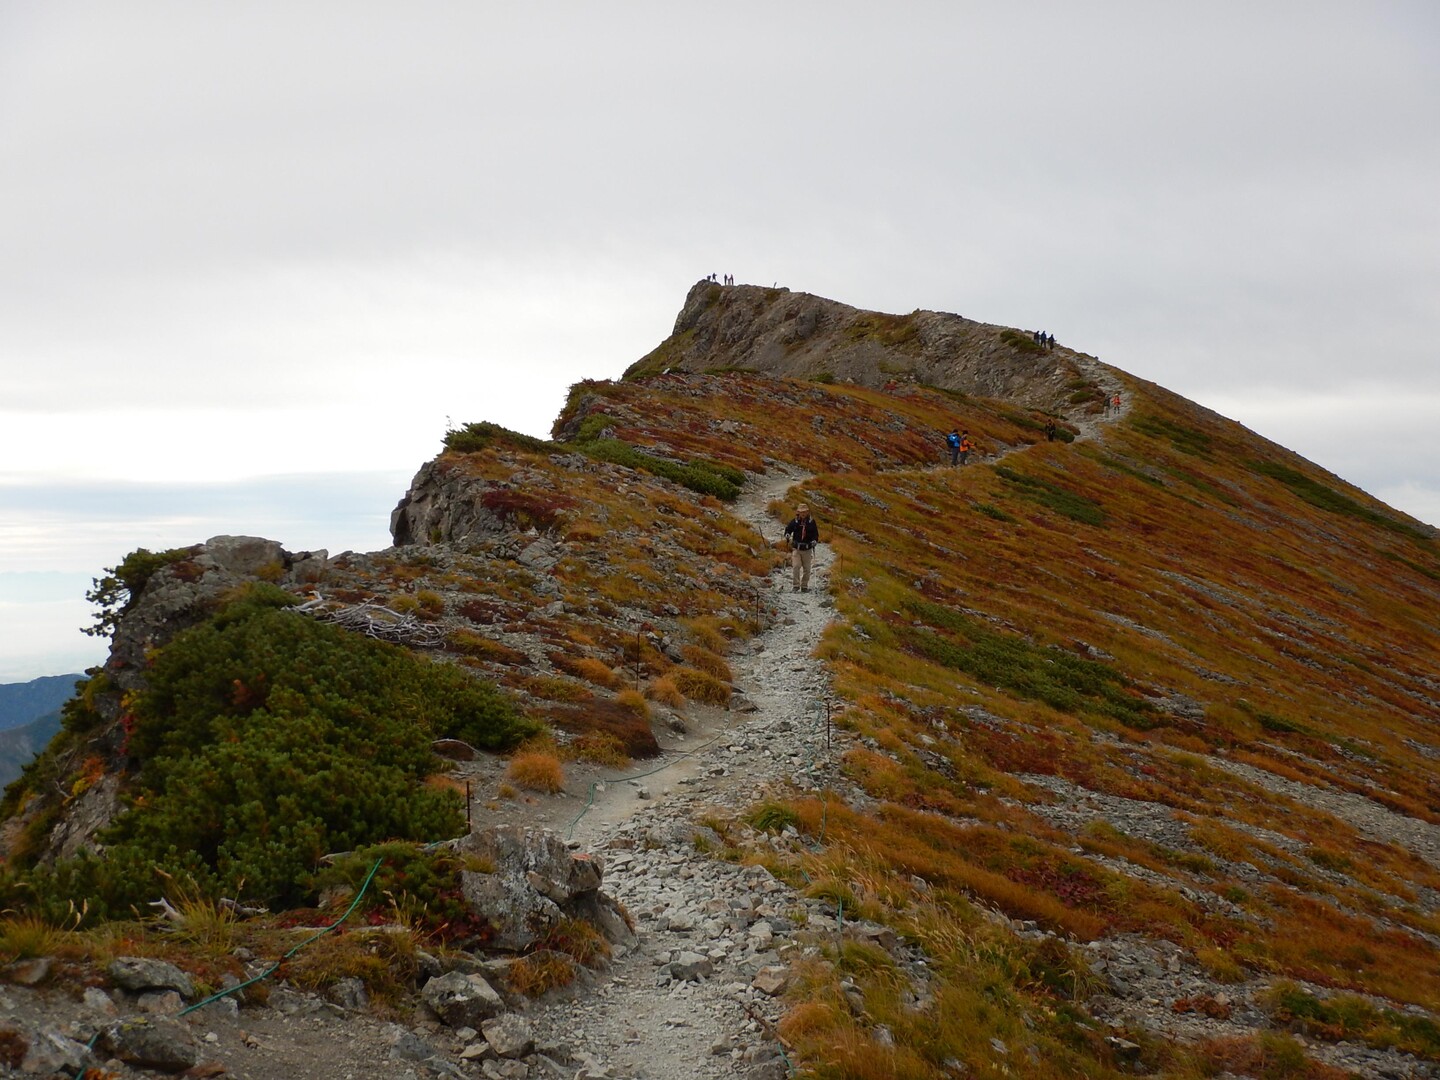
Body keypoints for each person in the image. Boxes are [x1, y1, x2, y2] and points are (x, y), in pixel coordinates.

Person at [783, 504, 820, 592]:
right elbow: (788, 529)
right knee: (796, 566)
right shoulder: (795, 522)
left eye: (804, 512)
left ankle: (804, 586)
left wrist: (815, 540)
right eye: (801, 512)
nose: (803, 514)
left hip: (807, 549)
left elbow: (816, 534)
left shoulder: (811, 522)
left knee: (807, 569)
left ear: (807, 512)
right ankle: (796, 585)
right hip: (797, 548)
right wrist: (787, 534)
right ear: (798, 512)